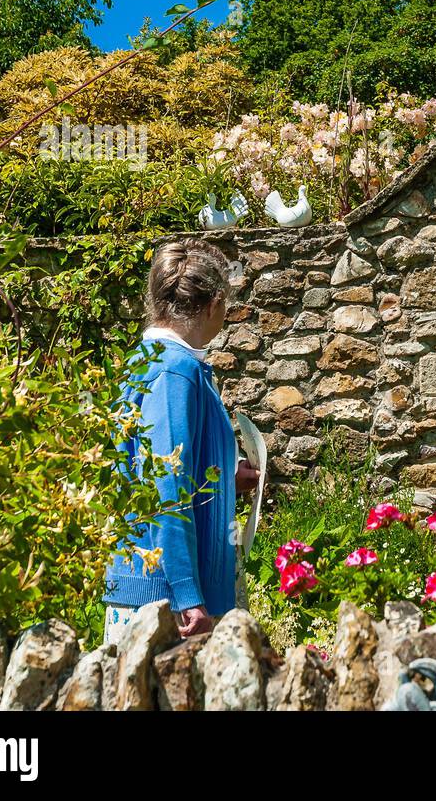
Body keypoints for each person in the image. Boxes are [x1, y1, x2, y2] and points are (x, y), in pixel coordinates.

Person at [103, 239, 258, 643]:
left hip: (159, 590)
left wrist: (226, 477)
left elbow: (166, 466)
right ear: (213, 305)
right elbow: (165, 486)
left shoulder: (149, 361)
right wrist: (188, 594)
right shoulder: (175, 372)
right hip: (169, 603)